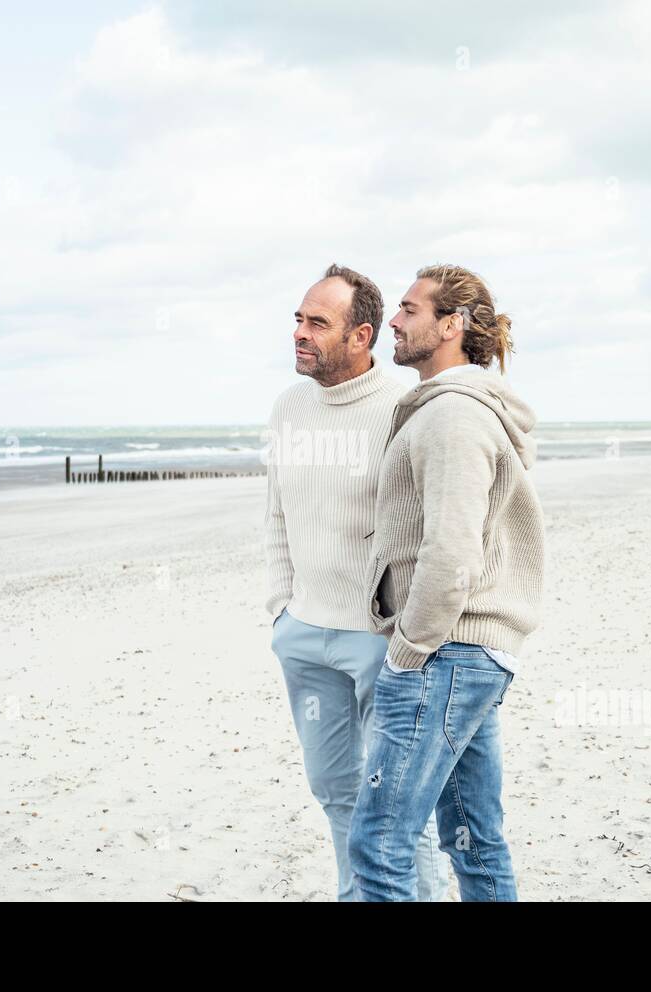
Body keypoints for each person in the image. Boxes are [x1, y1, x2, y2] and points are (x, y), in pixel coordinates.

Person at [347, 264, 545, 901]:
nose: (394, 323)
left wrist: (407, 650)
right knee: (473, 837)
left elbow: (451, 552)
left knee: (379, 845)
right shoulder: (459, 411)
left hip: (444, 655)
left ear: (452, 325)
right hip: (472, 654)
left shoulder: (453, 417)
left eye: (409, 310)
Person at [264, 263, 451, 902]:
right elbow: (276, 512)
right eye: (298, 318)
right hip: (303, 636)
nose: (300, 333)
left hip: (378, 641)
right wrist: (280, 609)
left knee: (398, 811)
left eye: (318, 323)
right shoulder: (288, 408)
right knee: (336, 795)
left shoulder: (402, 410)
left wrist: (406, 633)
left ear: (362, 335)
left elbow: (433, 528)